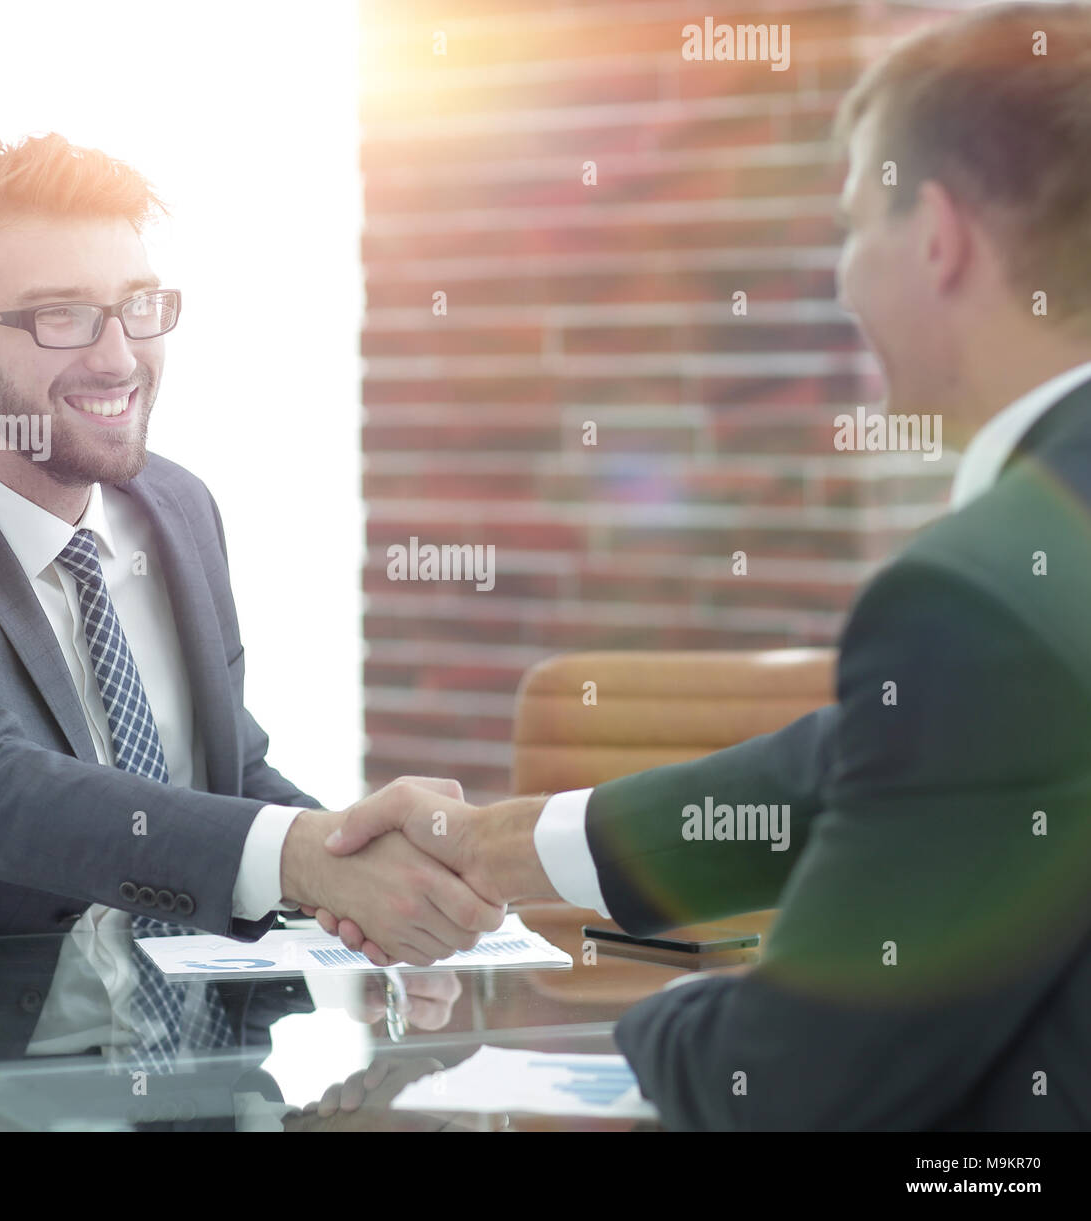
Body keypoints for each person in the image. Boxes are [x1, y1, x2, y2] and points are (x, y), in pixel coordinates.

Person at [309, 2, 1091, 1130]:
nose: (843, 281)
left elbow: (789, 1084)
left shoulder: (978, 601)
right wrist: (495, 845)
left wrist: (623, 1015)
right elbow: (853, 764)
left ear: (936, 237)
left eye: (852, 226)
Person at [0, 134, 503, 1127]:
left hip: (220, 1075)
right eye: (61, 316)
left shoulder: (173, 508)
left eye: (138, 305)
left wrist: (377, 868)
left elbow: (223, 773)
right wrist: (300, 855)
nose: (120, 356)